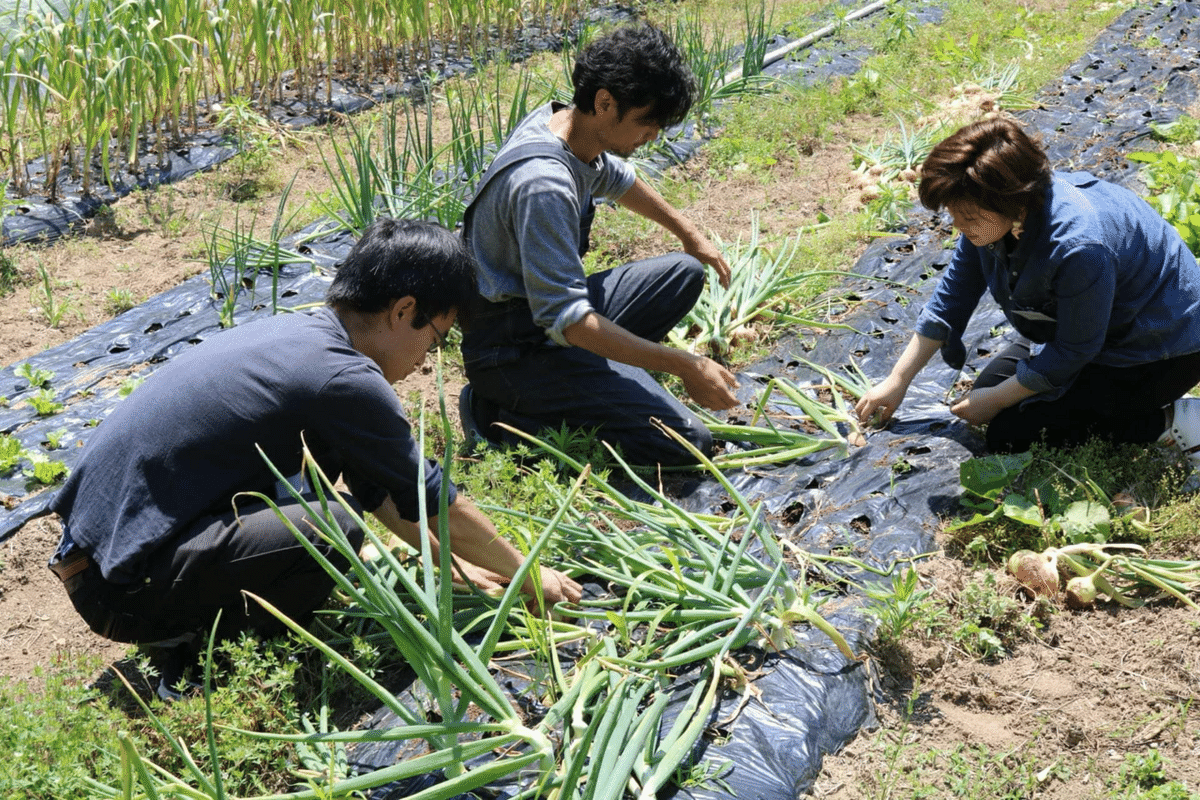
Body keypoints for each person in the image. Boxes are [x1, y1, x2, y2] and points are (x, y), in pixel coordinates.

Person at [47, 217, 581, 699]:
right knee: (332, 526)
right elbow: (433, 498)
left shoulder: (307, 337)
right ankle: (198, 660)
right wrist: (529, 574)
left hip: (101, 560)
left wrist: (455, 566)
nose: (426, 362)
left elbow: (386, 492)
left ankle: (194, 617)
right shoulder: (342, 376)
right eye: (436, 340)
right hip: (121, 591)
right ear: (403, 311)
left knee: (327, 501)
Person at [458, 23, 740, 467]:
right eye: (647, 122)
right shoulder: (543, 185)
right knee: (687, 443)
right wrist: (683, 365)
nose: (653, 135)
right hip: (512, 349)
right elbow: (569, 322)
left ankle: (596, 381)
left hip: (541, 316)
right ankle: (498, 410)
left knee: (682, 273)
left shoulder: (566, 125)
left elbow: (615, 178)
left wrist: (688, 232)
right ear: (605, 103)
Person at [855, 116, 1200, 463]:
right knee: (987, 392)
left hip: (1158, 347)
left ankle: (1172, 421)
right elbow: (952, 298)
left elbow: (1073, 350)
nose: (958, 225)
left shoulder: (1079, 246)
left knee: (1011, 434)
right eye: (954, 214)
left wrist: (999, 399)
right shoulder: (994, 217)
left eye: (968, 217)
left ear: (1012, 202)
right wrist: (897, 380)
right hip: (1091, 329)